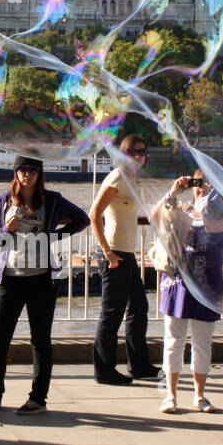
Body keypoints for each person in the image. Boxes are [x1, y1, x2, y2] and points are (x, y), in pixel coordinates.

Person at [0, 156, 89, 414]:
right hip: (10, 279)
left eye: (32, 170)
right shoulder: (3, 200)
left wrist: (53, 236)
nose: (26, 174)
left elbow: (82, 220)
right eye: (22, 169)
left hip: (41, 279)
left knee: (40, 341)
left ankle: (38, 398)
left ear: (40, 174)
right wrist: (6, 229)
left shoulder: (52, 200)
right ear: (15, 172)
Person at [152, 171, 223, 413]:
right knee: (173, 340)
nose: (202, 188)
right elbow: (154, 216)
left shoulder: (219, 214)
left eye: (207, 184)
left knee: (202, 342)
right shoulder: (180, 208)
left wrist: (220, 197)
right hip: (179, 281)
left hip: (208, 282)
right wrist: (173, 191)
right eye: (198, 183)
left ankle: (200, 395)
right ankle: (170, 395)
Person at [90, 134, 161, 384]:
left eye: (143, 152)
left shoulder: (132, 178)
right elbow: (94, 214)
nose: (139, 156)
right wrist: (107, 251)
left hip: (127, 254)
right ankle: (104, 370)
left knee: (139, 307)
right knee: (112, 313)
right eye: (134, 152)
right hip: (114, 254)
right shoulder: (118, 177)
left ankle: (139, 365)